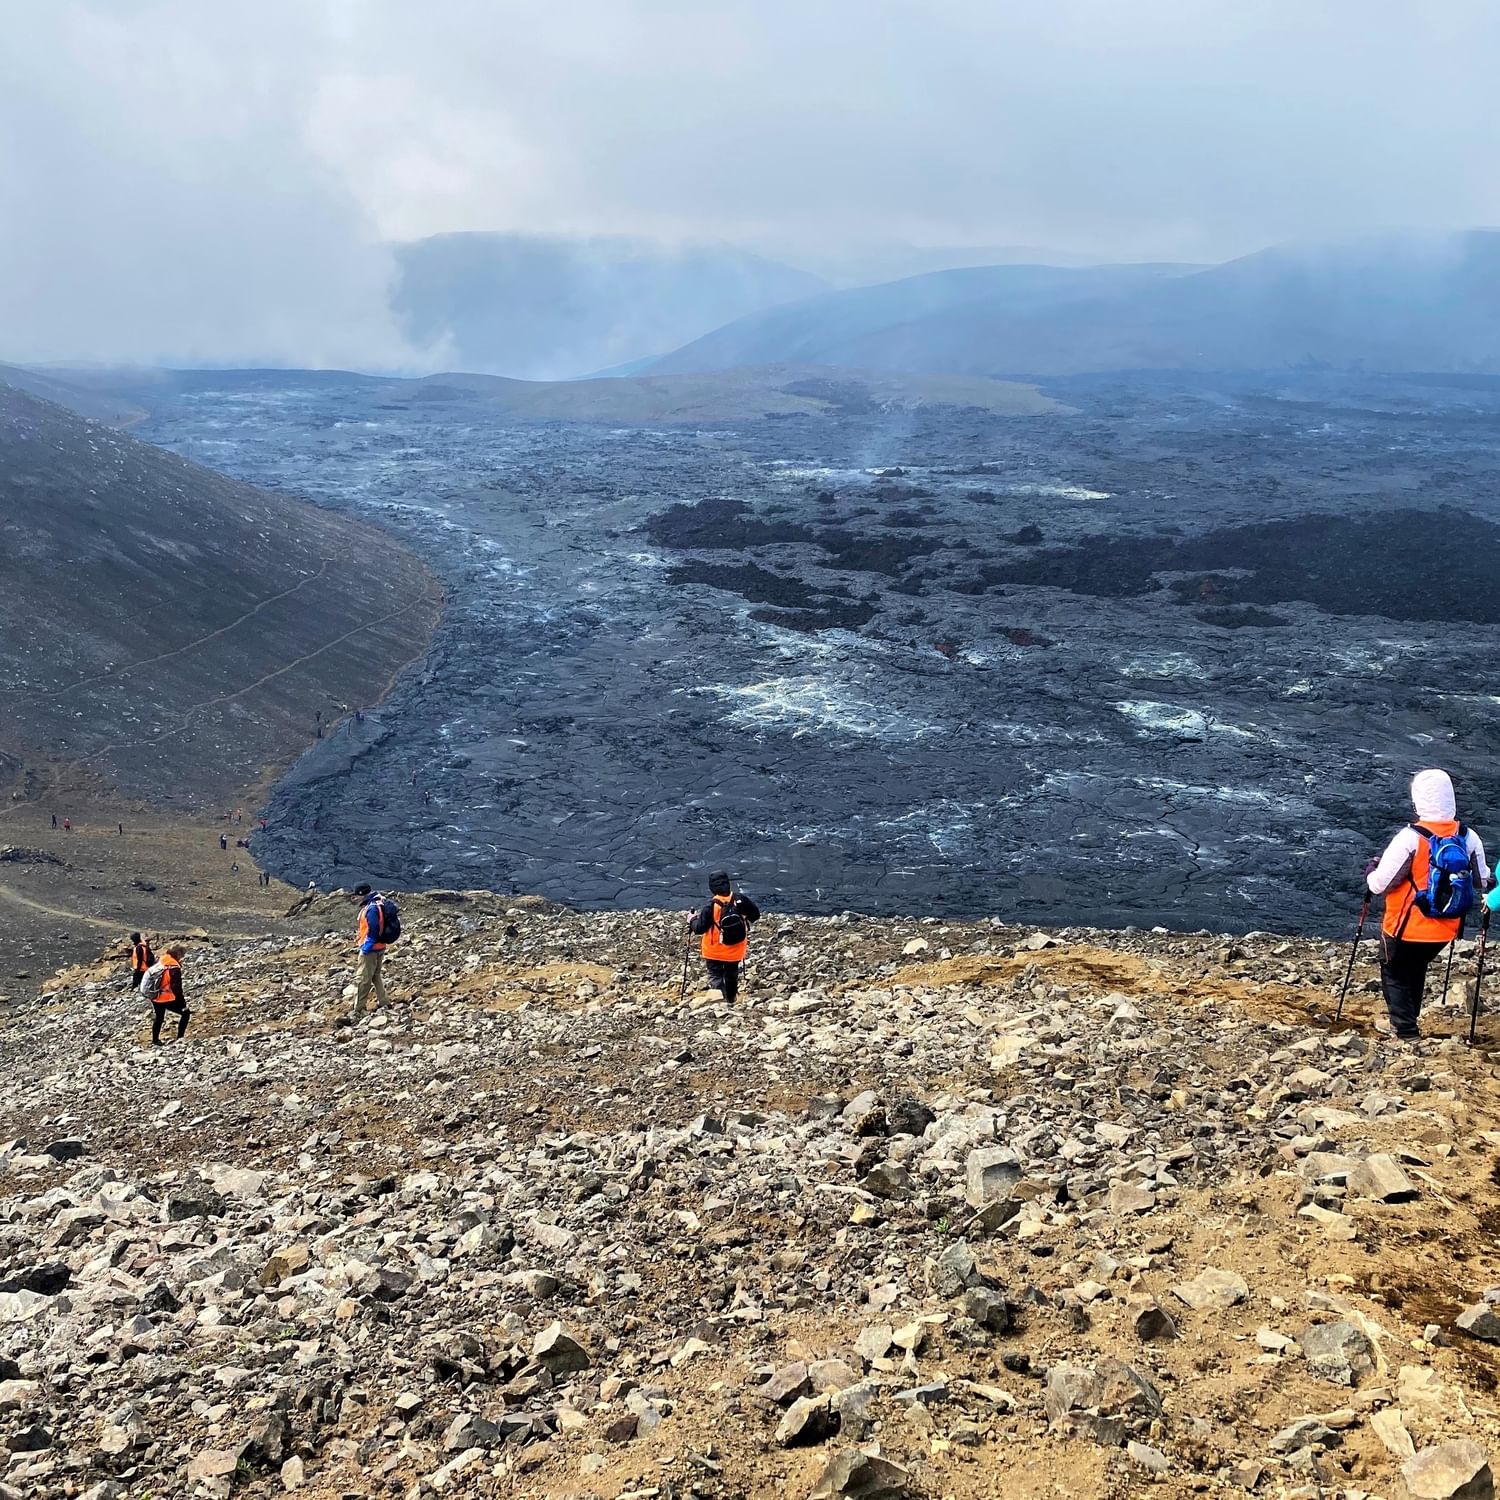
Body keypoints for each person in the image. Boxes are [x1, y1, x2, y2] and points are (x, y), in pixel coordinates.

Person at [1365, 769, 1491, 1041]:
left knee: (1395, 971)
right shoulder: (1469, 837)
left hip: (1404, 926)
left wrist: (1370, 870)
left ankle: (1406, 1031)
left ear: (1418, 800)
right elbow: (1482, 880)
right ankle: (1407, 1021)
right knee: (1417, 967)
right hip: (1445, 929)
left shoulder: (1410, 838)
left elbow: (1379, 885)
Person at [688, 872, 760, 1003]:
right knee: (731, 975)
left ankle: (720, 1000)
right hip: (735, 949)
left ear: (712, 888)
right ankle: (731, 999)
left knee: (715, 975)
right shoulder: (740, 900)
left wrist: (692, 920)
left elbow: (699, 929)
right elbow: (755, 916)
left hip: (714, 950)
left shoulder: (711, 906)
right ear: (728, 883)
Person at [353, 884, 398, 1020]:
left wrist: (367, 944)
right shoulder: (379, 902)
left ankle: (359, 1009)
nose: (355, 898)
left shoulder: (371, 908)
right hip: (380, 946)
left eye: (357, 895)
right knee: (375, 974)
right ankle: (384, 1001)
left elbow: (373, 927)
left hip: (370, 949)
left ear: (362, 894)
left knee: (363, 978)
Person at [145, 944, 191, 1046]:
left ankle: (155, 1040)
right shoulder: (174, 967)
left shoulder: (162, 959)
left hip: (154, 994)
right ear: (178, 955)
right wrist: (183, 1004)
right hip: (166, 997)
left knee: (159, 1017)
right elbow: (176, 988)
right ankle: (180, 1038)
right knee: (185, 1013)